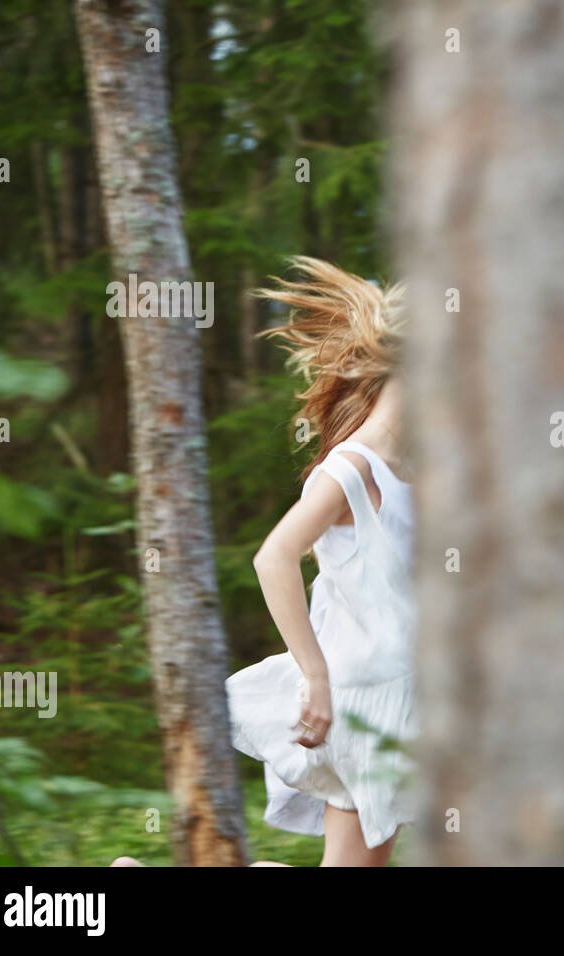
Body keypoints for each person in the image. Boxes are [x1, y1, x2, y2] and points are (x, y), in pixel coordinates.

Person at [113, 256, 416, 867]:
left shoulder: (415, 466)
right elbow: (274, 557)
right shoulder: (351, 468)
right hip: (366, 701)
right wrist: (316, 677)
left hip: (404, 697)